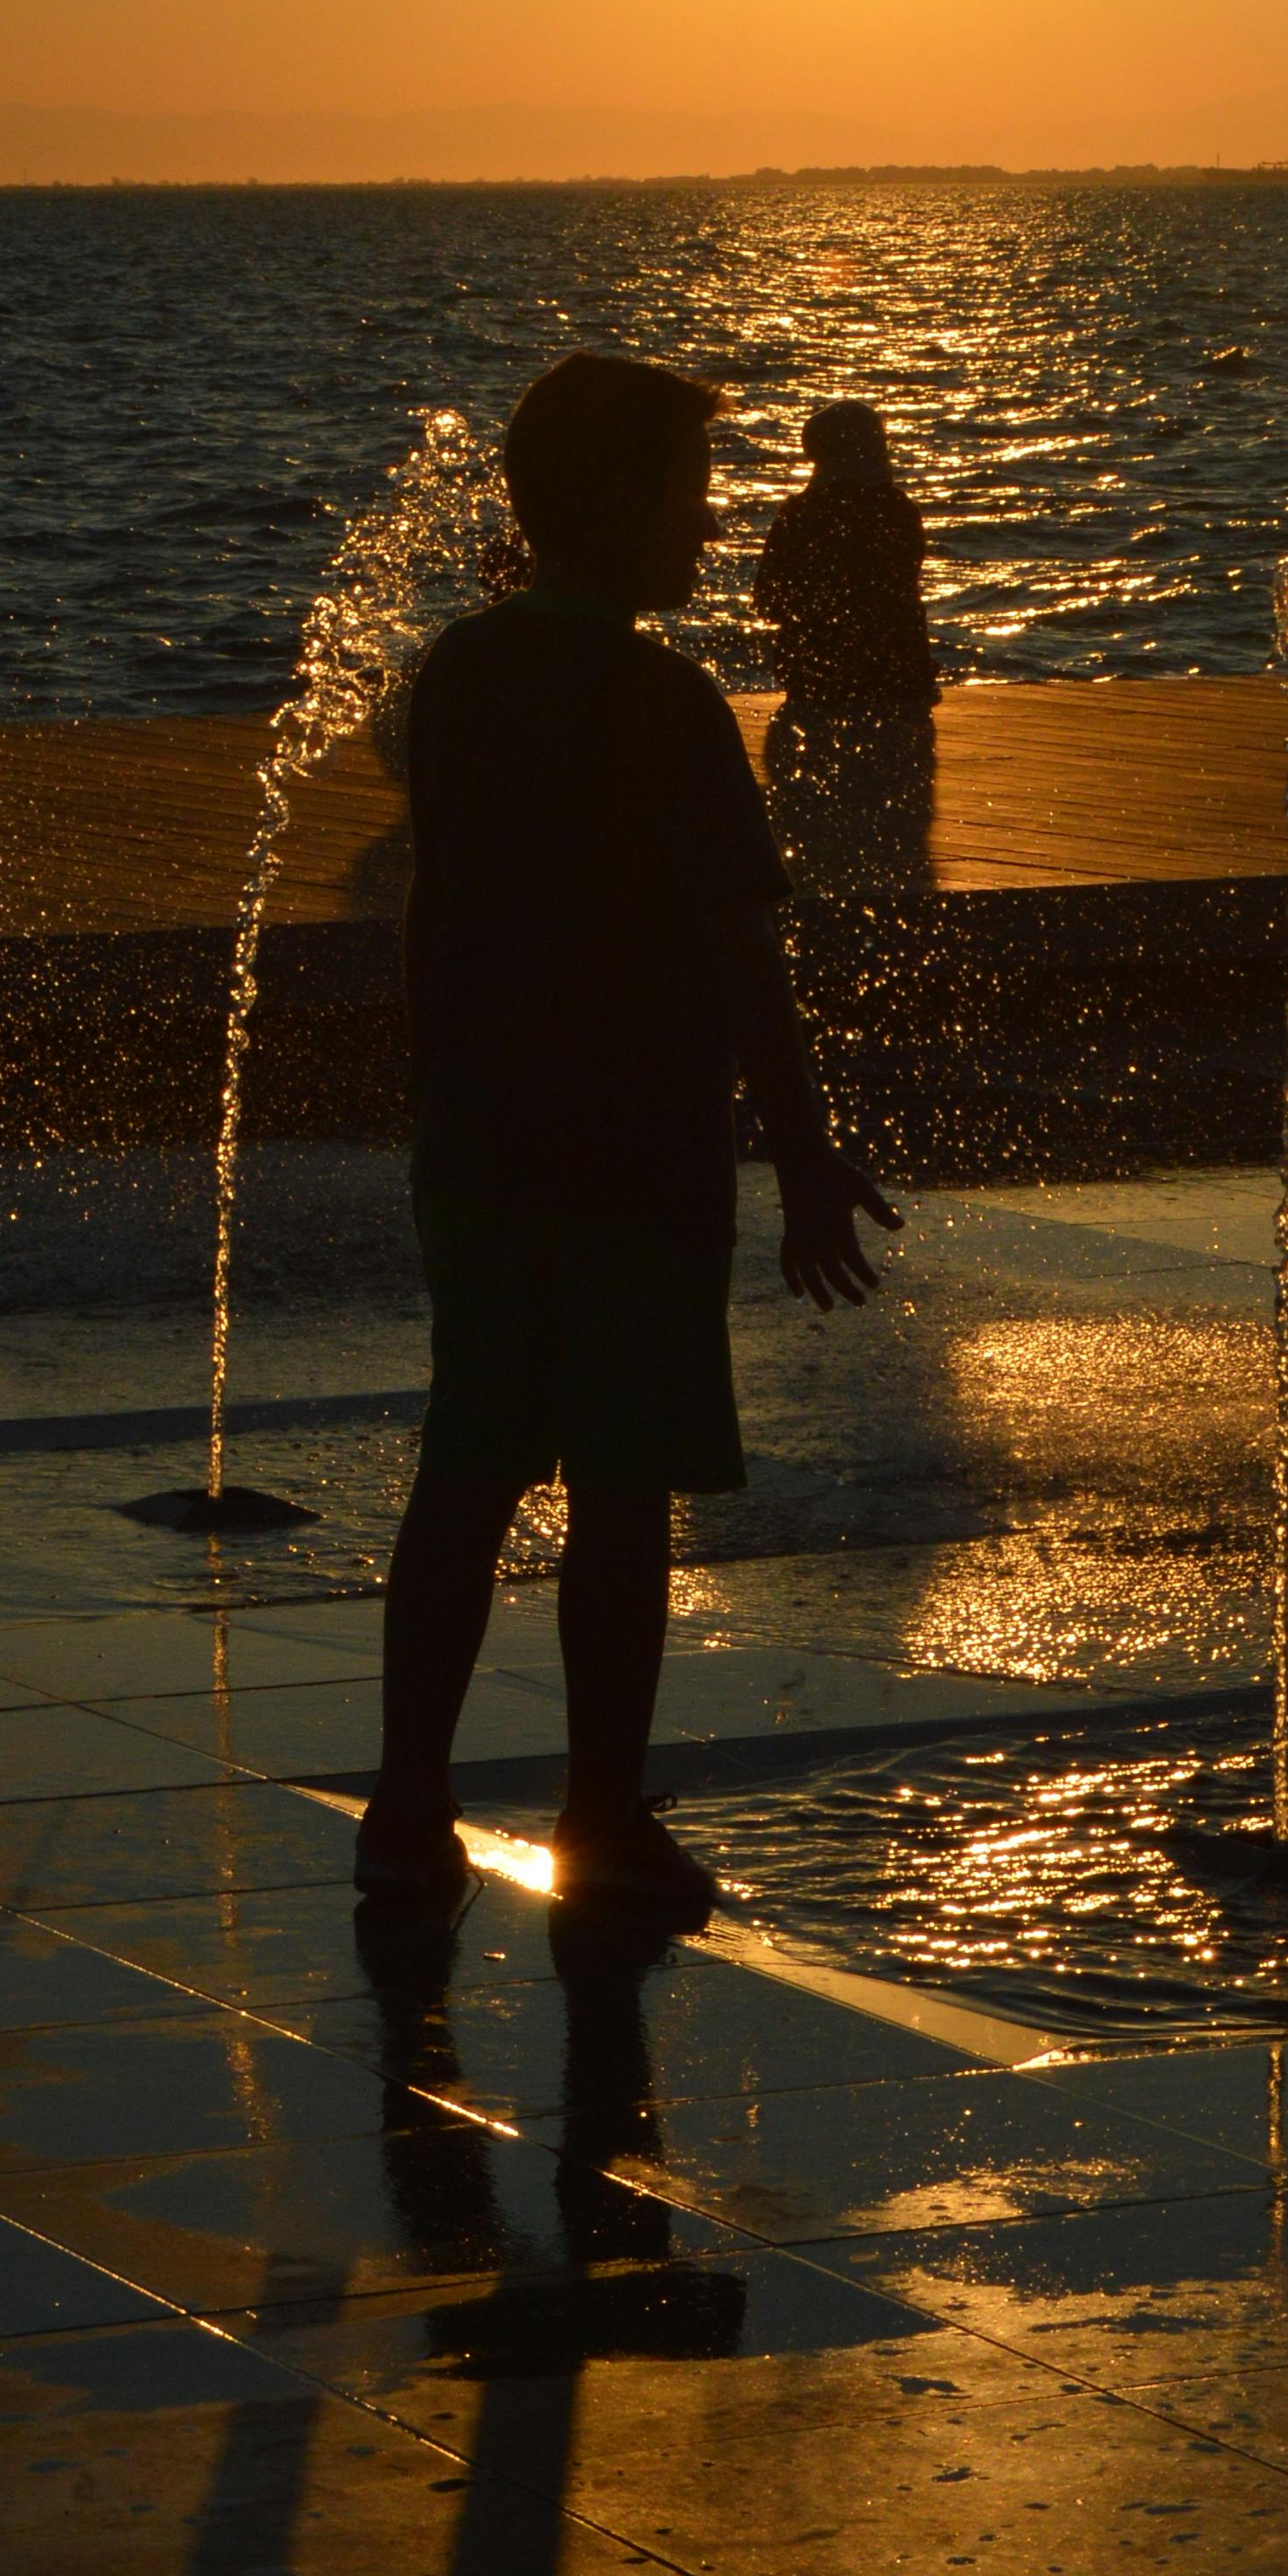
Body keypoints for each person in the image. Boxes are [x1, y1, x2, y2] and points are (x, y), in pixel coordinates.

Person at [359, 349, 897, 1927]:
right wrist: (800, 1151)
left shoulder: (459, 674)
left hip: (481, 1148)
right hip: (636, 1157)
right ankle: (601, 1812)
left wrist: (437, 1087)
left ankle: (408, 1801)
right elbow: (744, 960)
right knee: (619, 1492)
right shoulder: (668, 706)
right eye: (688, 496)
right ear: (610, 506)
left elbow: (435, 911)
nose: (709, 528)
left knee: (464, 1469)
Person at [753, 398, 938, 896]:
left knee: (807, 824)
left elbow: (768, 598)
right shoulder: (896, 510)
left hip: (817, 686)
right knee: (901, 829)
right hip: (897, 686)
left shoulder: (800, 513)